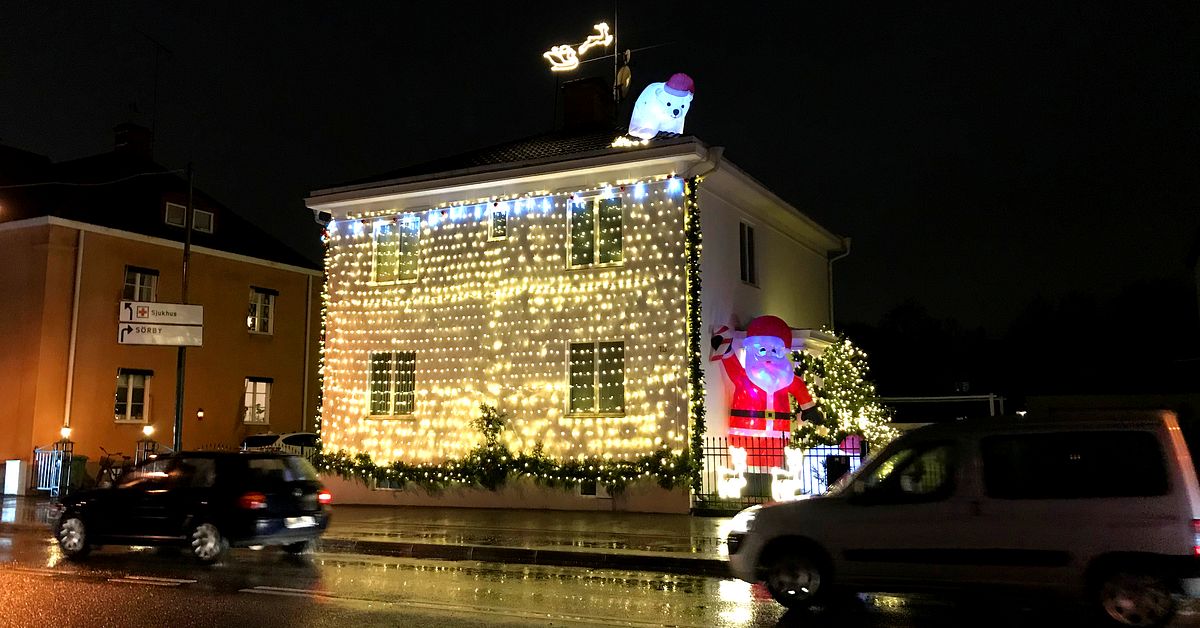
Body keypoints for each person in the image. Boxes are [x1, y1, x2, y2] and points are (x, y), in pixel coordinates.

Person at [712, 315, 817, 471]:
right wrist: (725, 349)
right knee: (746, 466)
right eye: (762, 350)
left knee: (772, 467)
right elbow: (732, 365)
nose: (768, 356)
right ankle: (749, 488)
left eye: (774, 350)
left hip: (777, 434)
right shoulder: (745, 378)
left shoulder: (786, 379)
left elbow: (799, 387)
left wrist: (809, 408)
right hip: (745, 432)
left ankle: (769, 488)